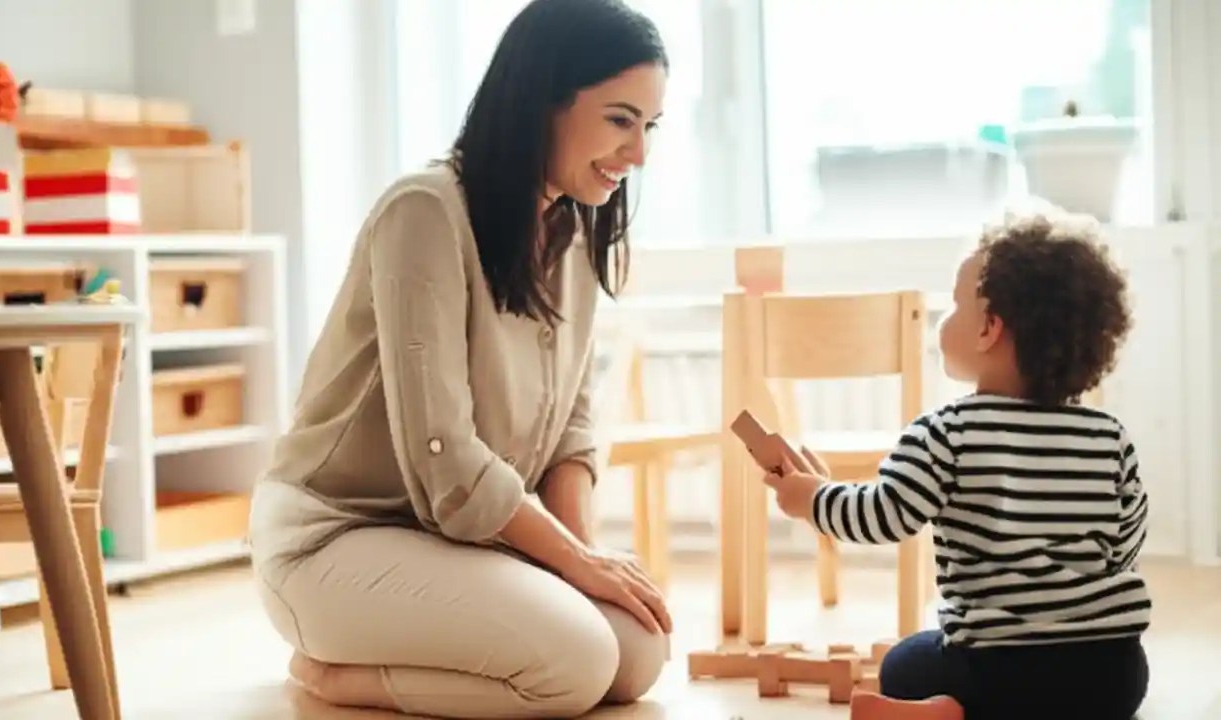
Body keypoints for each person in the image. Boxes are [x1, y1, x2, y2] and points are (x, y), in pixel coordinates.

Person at [246, 0, 672, 717]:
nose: (639, 155)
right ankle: (334, 675)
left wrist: (586, 563)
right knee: (578, 662)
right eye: (620, 120)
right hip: (334, 540)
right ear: (543, 101)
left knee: (635, 651)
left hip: (450, 542)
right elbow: (444, 457)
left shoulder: (571, 229)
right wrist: (573, 565)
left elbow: (570, 421)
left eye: (650, 127)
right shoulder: (424, 212)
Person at [761, 206, 1151, 720]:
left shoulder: (946, 432)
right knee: (1096, 682)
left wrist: (812, 499)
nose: (945, 318)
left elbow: (884, 515)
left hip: (996, 667)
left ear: (989, 327)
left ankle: (956, 710)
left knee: (904, 663)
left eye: (954, 304)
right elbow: (1125, 543)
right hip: (1110, 671)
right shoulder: (1109, 437)